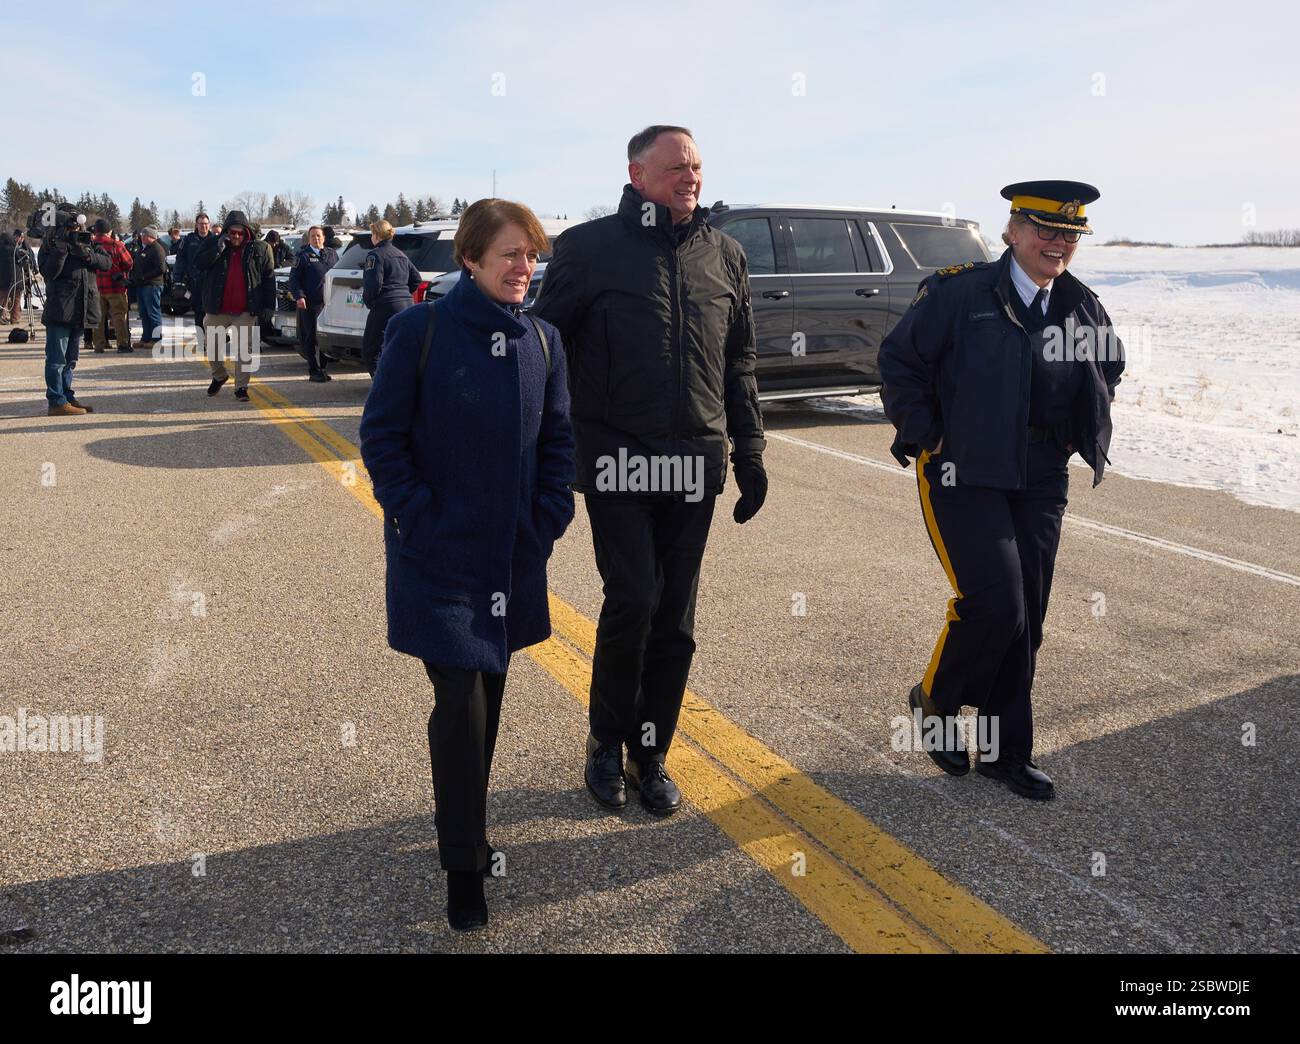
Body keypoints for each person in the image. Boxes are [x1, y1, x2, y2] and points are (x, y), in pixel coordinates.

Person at [532, 125, 767, 815]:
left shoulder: (725, 255)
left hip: (695, 461)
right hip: (620, 458)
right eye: (675, 167)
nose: (690, 176)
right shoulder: (589, 250)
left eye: (696, 165)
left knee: (676, 618)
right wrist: (546, 451)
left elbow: (740, 361)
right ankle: (605, 742)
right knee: (632, 598)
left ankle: (651, 751)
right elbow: (547, 351)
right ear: (636, 173)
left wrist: (749, 454)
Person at [359, 199, 575, 932]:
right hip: (438, 559)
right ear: (471, 259)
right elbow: (382, 436)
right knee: (461, 706)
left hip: (510, 559)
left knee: (489, 699)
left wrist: (547, 519)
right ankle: (464, 866)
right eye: (511, 254)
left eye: (532, 255)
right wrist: (418, 516)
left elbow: (560, 442)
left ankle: (465, 821)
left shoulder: (543, 341)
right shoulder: (419, 331)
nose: (525, 268)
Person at [878, 181, 1125, 802]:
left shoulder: (1079, 305)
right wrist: (928, 434)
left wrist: (1076, 431)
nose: (1058, 244)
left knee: (1027, 618)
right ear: (1012, 231)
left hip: (1040, 476)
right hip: (963, 469)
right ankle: (936, 701)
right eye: (1045, 230)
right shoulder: (961, 293)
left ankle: (1004, 752)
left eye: (1070, 235)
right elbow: (899, 362)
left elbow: (1109, 366)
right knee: (997, 602)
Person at [195, 209, 276, 402]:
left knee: (244, 349)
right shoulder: (213, 243)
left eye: (240, 233)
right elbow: (199, 263)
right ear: (226, 232)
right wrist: (218, 248)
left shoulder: (260, 249)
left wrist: (268, 306)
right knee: (212, 346)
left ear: (246, 231)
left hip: (246, 309)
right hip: (218, 308)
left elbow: (268, 279)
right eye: (232, 233)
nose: (236, 236)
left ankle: (241, 387)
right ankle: (219, 375)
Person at [38, 206, 111, 415]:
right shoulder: (51, 245)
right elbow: (49, 272)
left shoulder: (87, 242)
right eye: (71, 225)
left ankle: (67, 396)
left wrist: (86, 254)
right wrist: (62, 250)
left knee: (70, 360)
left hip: (81, 309)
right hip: (60, 310)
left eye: (77, 225)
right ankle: (56, 401)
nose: (75, 229)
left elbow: (106, 263)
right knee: (56, 360)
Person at [361, 219, 420, 376]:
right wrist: (403, 293)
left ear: (376, 235)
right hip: (406, 305)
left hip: (385, 306)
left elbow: (373, 285)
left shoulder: (375, 255)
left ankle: (382, 389)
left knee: (371, 351)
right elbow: (416, 279)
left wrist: (370, 302)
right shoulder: (401, 255)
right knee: (399, 348)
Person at [288, 225, 337, 382]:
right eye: (313, 236)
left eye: (318, 236)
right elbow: (294, 279)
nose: (316, 239)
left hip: (328, 303)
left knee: (324, 336)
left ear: (323, 237)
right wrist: (299, 296)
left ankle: (322, 368)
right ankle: (313, 369)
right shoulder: (303, 256)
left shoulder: (331, 254)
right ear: (309, 239)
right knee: (310, 336)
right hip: (310, 303)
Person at [91, 219, 134, 353]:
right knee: (119, 316)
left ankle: (99, 344)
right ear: (109, 231)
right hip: (115, 287)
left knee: (98, 317)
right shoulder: (116, 244)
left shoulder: (89, 246)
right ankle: (122, 344)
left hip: (95, 287)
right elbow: (128, 263)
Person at [175, 212, 214, 331]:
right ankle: (201, 340)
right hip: (194, 282)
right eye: (201, 224)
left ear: (209, 224)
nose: (204, 226)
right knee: (198, 312)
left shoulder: (214, 239)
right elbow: (180, 259)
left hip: (211, 283)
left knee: (213, 312)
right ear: (196, 225)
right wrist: (178, 280)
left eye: (206, 224)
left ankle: (217, 337)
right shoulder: (188, 239)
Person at [132, 226, 167, 346]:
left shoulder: (157, 249)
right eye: (142, 235)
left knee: (153, 312)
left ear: (151, 237)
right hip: (141, 285)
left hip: (152, 285)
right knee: (143, 313)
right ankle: (146, 338)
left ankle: (156, 339)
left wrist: (145, 276)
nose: (142, 237)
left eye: (145, 235)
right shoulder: (143, 248)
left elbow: (161, 268)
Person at [0, 226, 18, 324]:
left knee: (2, 297)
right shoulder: (12, 249)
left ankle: (3, 315)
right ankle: (3, 315)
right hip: (9, 277)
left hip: (2, 277)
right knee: (6, 298)